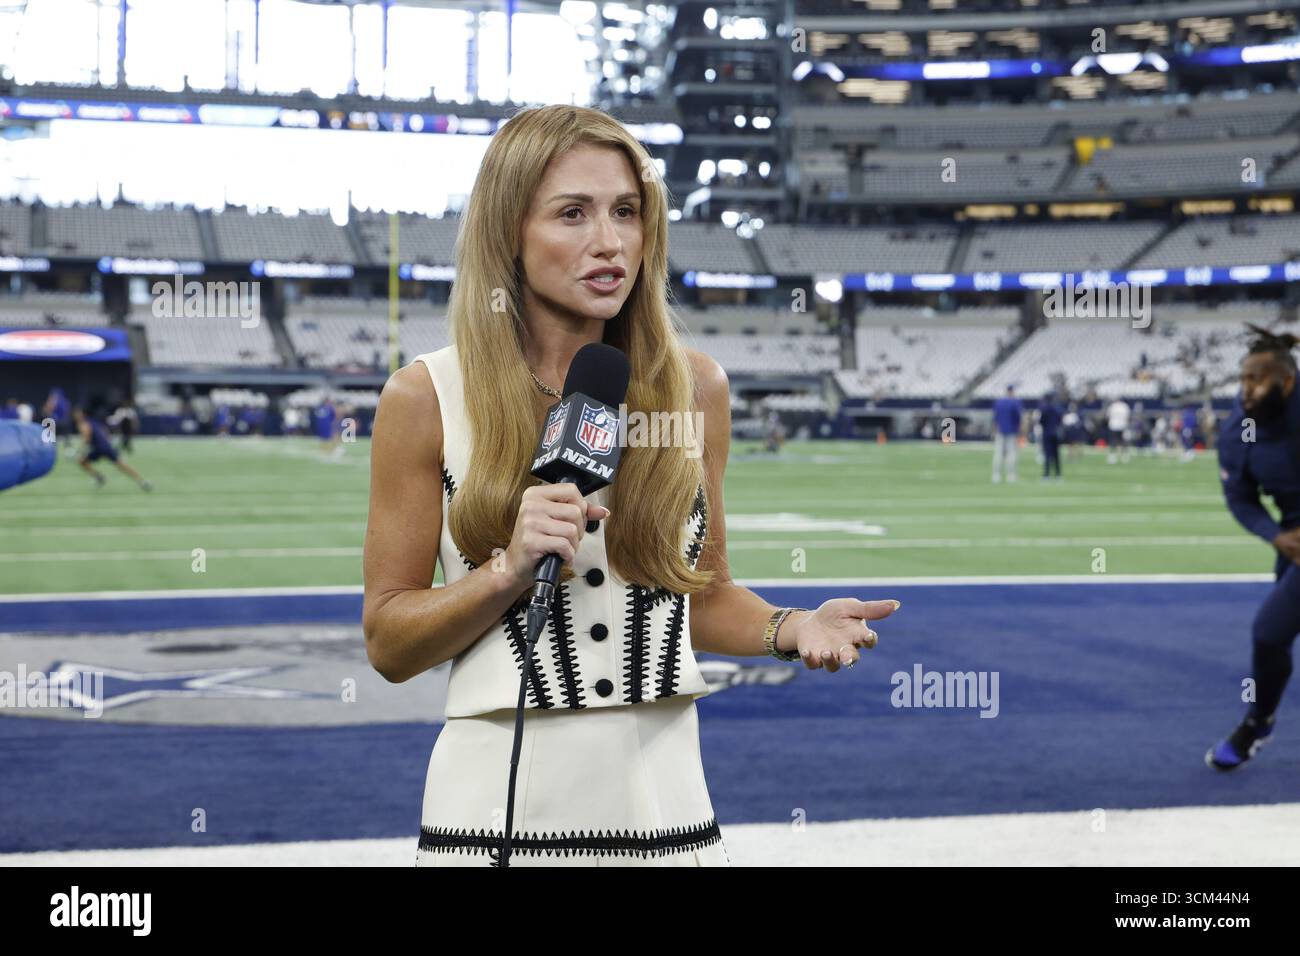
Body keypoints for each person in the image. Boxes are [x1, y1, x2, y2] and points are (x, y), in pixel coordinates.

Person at [361, 104, 901, 867]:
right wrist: (505, 570)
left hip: (670, 812)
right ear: (507, 232)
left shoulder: (696, 388)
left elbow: (704, 595)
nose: (609, 242)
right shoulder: (423, 398)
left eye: (626, 212)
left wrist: (791, 626)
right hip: (491, 819)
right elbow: (388, 640)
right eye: (572, 214)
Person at [1206, 326, 1300, 771]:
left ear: (1286, 382)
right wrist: (1275, 535)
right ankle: (1259, 720)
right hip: (1294, 537)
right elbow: (1240, 497)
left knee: (1269, 631)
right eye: (1243, 380)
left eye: (1256, 380)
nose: (1246, 391)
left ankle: (1253, 724)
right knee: (1270, 638)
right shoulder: (1239, 430)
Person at [73, 406, 153, 492]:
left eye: (77, 413)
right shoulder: (93, 421)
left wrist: (79, 451)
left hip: (100, 448)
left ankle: (100, 478)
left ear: (82, 414)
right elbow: (104, 431)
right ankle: (141, 481)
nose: (75, 415)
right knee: (121, 465)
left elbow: (86, 438)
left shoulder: (84, 424)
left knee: (82, 461)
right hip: (105, 446)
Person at [991, 384, 1021, 483]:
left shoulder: (999, 402)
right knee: (1011, 454)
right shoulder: (1015, 402)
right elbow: (1018, 418)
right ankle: (1010, 476)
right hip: (1011, 431)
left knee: (998, 454)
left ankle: (996, 476)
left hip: (1000, 430)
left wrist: (994, 430)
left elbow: (995, 418)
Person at [1037, 391, 1064, 480]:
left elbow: (1041, 421)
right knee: (1056, 455)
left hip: (1047, 434)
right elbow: (1060, 419)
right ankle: (1058, 474)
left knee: (1047, 454)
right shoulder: (1057, 408)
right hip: (1056, 433)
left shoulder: (1044, 408)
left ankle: (1046, 474)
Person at [1106, 397, 1131, 464]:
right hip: (1122, 425)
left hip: (1114, 426)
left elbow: (1108, 416)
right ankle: (1124, 457)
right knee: (1123, 442)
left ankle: (1112, 457)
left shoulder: (1112, 406)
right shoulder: (1125, 406)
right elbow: (1127, 417)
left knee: (1113, 441)